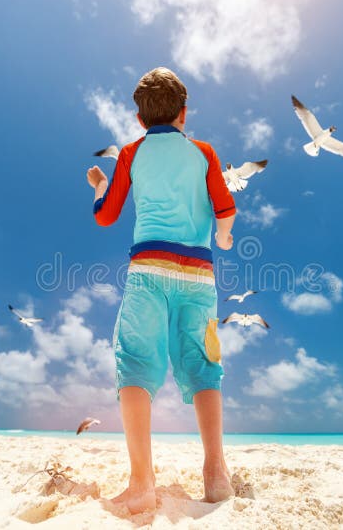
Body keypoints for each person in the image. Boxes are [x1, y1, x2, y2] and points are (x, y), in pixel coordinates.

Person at [86, 67, 236, 514]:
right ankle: (216, 474)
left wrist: (99, 187)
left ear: (138, 119)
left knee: (134, 363)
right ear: (184, 114)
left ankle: (141, 483)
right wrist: (224, 238)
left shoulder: (131, 153)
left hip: (149, 269)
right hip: (199, 276)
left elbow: (106, 216)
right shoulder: (204, 152)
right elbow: (225, 208)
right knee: (204, 365)